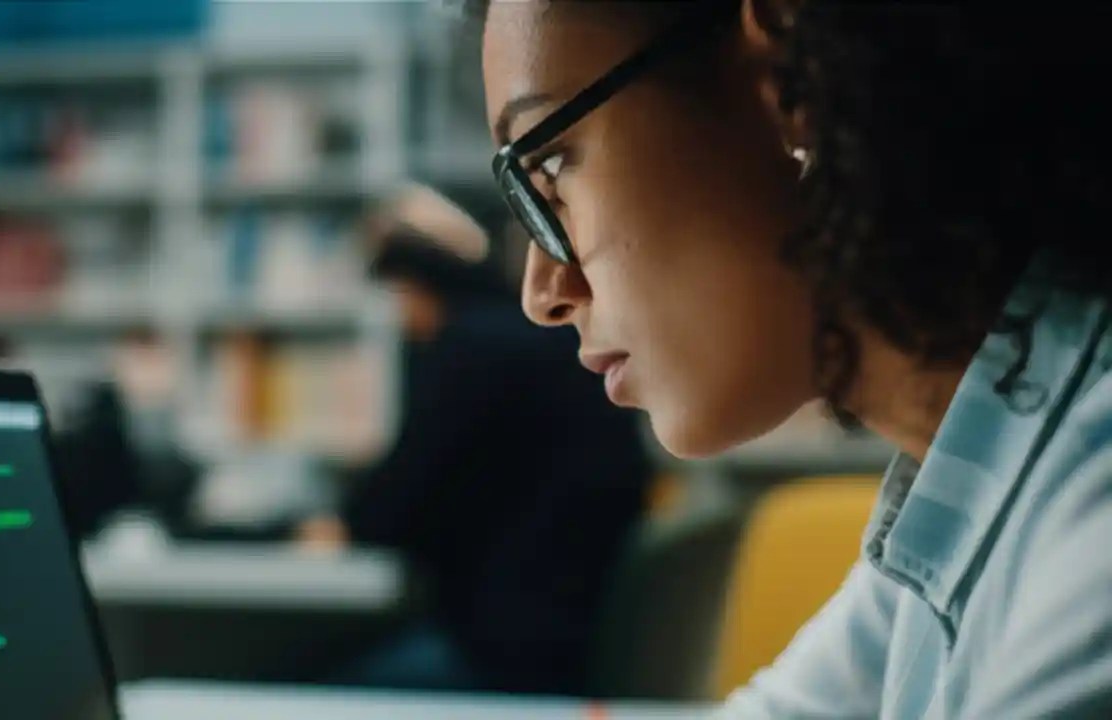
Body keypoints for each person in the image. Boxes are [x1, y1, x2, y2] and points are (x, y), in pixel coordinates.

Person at [476, 0, 1112, 717]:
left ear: (787, 69)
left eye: (550, 164)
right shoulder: (961, 503)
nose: (542, 291)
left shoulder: (1094, 517)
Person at [297, 184, 654, 697]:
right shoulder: (546, 345)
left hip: (505, 654)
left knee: (305, 690)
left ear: (412, 285)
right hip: (568, 634)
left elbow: (389, 510)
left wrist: (337, 525)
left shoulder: (469, 352)